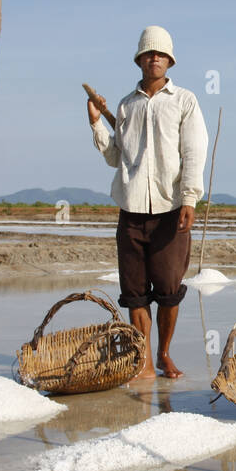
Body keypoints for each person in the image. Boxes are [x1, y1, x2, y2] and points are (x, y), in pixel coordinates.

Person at [87, 25, 207, 380]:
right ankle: (143, 361)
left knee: (169, 290)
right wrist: (96, 124)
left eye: (160, 54)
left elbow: (193, 152)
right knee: (135, 293)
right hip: (131, 211)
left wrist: (189, 198)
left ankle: (163, 354)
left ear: (169, 61)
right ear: (139, 60)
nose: (154, 58)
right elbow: (116, 157)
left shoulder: (184, 100)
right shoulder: (126, 106)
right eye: (147, 54)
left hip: (171, 211)